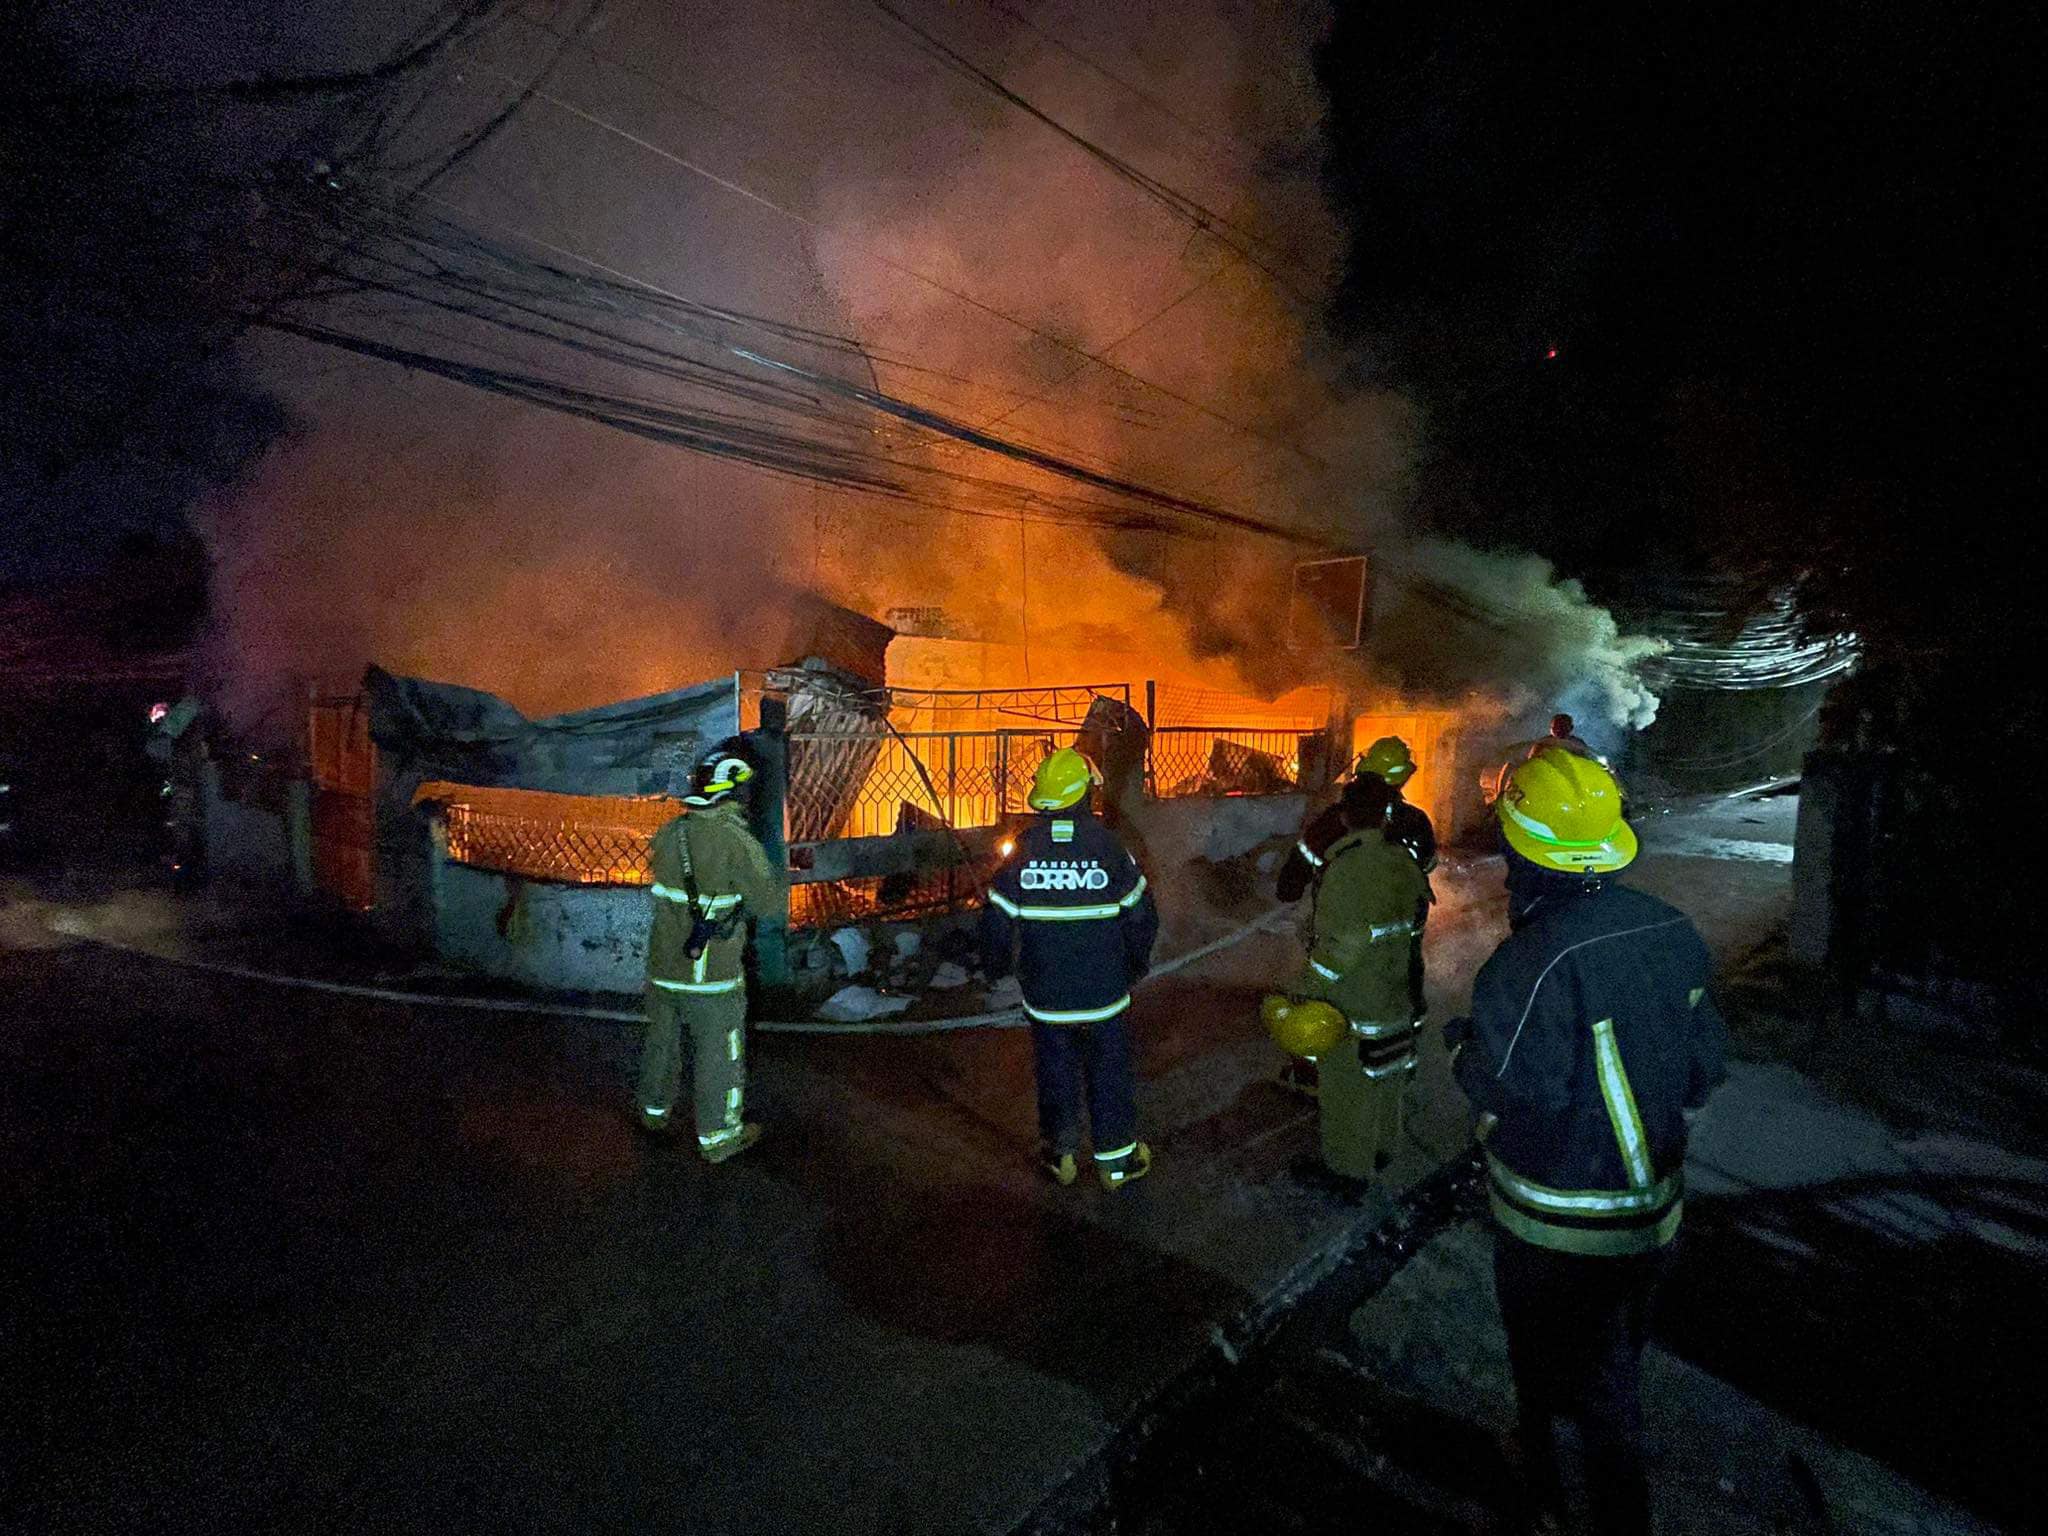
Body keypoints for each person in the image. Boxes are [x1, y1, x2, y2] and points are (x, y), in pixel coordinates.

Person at [1445, 748, 1726, 1534]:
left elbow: (1510, 1088)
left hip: (1555, 1228)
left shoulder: (1530, 962)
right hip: (1657, 1219)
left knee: (1565, 1381)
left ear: (1520, 851)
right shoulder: (1671, 929)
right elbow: (1708, 1065)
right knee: (1613, 1367)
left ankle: (1555, 1497)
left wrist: (1461, 1050)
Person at [981, 746, 1160, 1190]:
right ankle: (1115, 1164)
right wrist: (1135, 963)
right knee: (1109, 1070)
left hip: (1047, 995)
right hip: (1103, 993)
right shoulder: (1109, 847)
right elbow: (1142, 917)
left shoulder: (1021, 851)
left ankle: (1060, 1156)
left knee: (1055, 1070)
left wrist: (997, 967)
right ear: (1084, 796)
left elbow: (994, 924)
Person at [637, 739, 787, 1163]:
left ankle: (654, 1112)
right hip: (711, 976)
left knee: (661, 1043)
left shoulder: (671, 832)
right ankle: (719, 1137)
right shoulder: (735, 841)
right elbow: (769, 903)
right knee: (719, 1051)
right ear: (735, 790)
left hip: (663, 966)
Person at [1275, 736, 1438, 1094]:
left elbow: (1296, 872)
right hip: (1403, 932)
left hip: (1342, 931)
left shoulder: (1336, 822)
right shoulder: (1416, 821)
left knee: (1327, 994)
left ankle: (1314, 1074)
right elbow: (1427, 865)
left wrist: (1288, 893)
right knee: (1402, 993)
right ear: (1402, 779)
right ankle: (1398, 1069)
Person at [1293, 773, 1430, 1180]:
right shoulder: (1402, 861)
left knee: (1347, 1093)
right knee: (1387, 1081)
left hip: (1354, 1005)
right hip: (1395, 995)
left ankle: (1346, 1172)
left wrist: (1306, 990)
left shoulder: (1347, 867)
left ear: (1347, 816)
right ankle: (1384, 1150)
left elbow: (1340, 946)